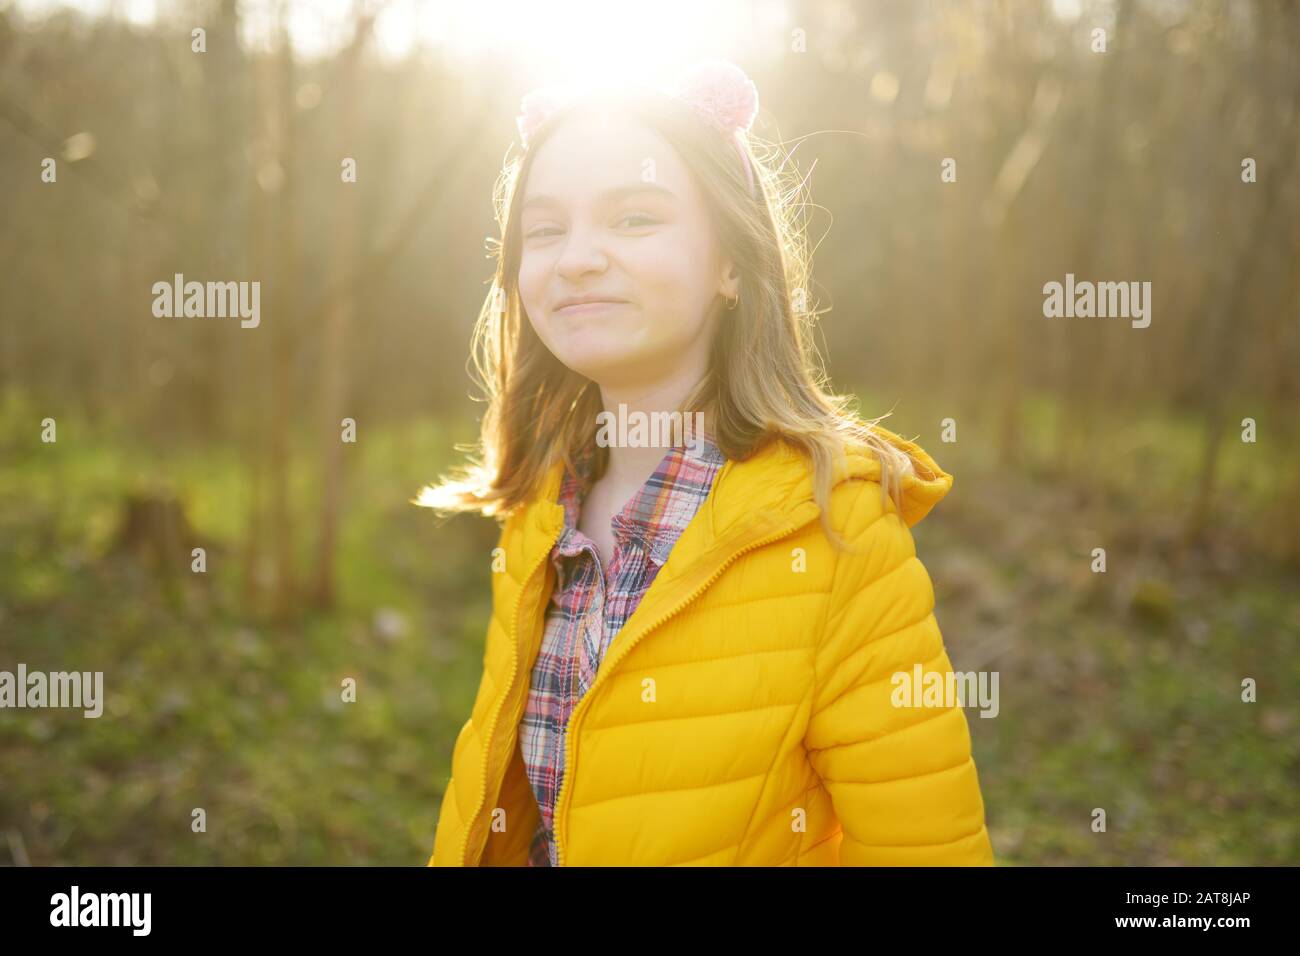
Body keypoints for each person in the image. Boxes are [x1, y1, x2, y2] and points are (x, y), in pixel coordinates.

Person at [416, 59, 994, 866]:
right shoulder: (539, 515)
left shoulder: (836, 527)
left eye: (634, 218)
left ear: (731, 262)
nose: (578, 256)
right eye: (545, 230)